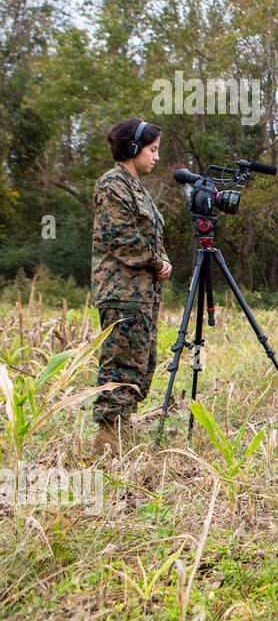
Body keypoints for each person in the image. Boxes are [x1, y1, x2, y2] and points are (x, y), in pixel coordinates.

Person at [91, 118, 172, 452]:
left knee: (140, 361)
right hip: (122, 293)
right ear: (134, 148)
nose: (155, 157)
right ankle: (108, 439)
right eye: (152, 150)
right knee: (121, 362)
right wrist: (157, 261)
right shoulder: (112, 184)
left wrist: (162, 260)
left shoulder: (136, 186)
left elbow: (151, 234)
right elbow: (122, 238)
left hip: (143, 295)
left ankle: (124, 426)